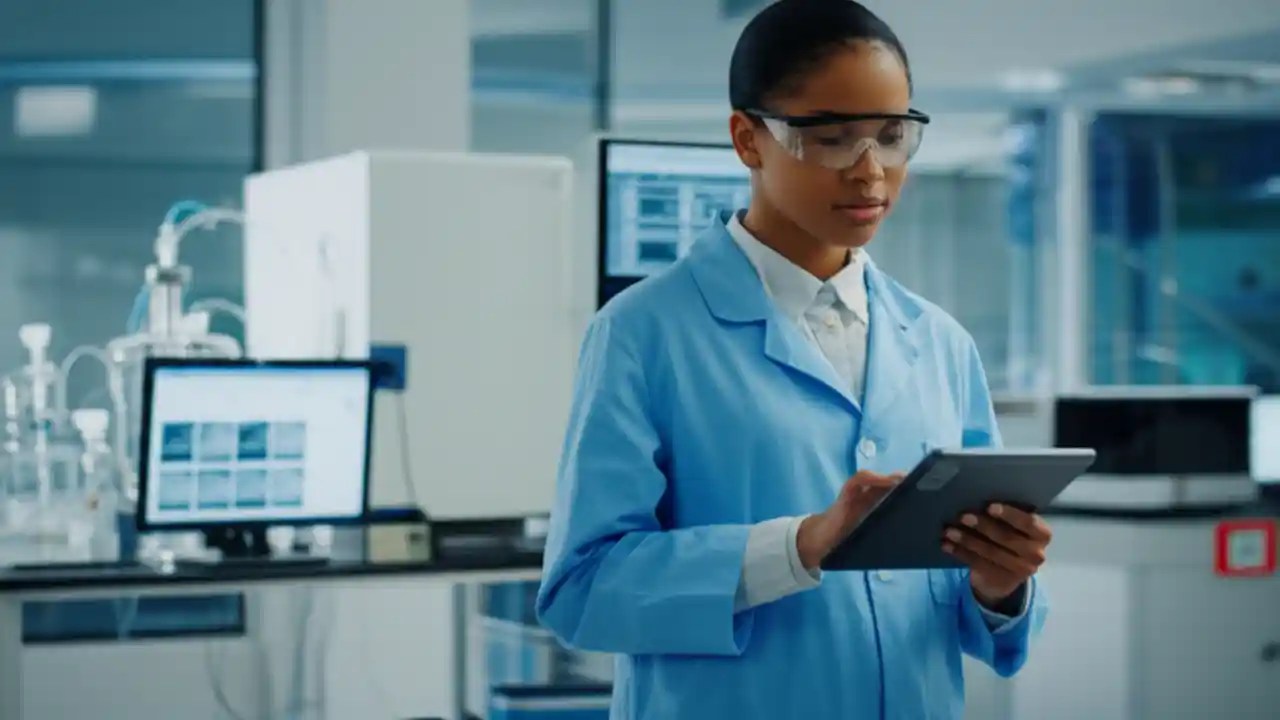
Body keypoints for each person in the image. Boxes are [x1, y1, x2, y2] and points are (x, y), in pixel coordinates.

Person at [537, 1, 1052, 717]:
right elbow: (582, 592)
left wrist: (1000, 584)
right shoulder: (642, 334)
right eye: (834, 138)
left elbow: (980, 622)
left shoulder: (940, 343)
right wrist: (802, 546)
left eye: (893, 135)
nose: (871, 173)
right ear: (748, 140)